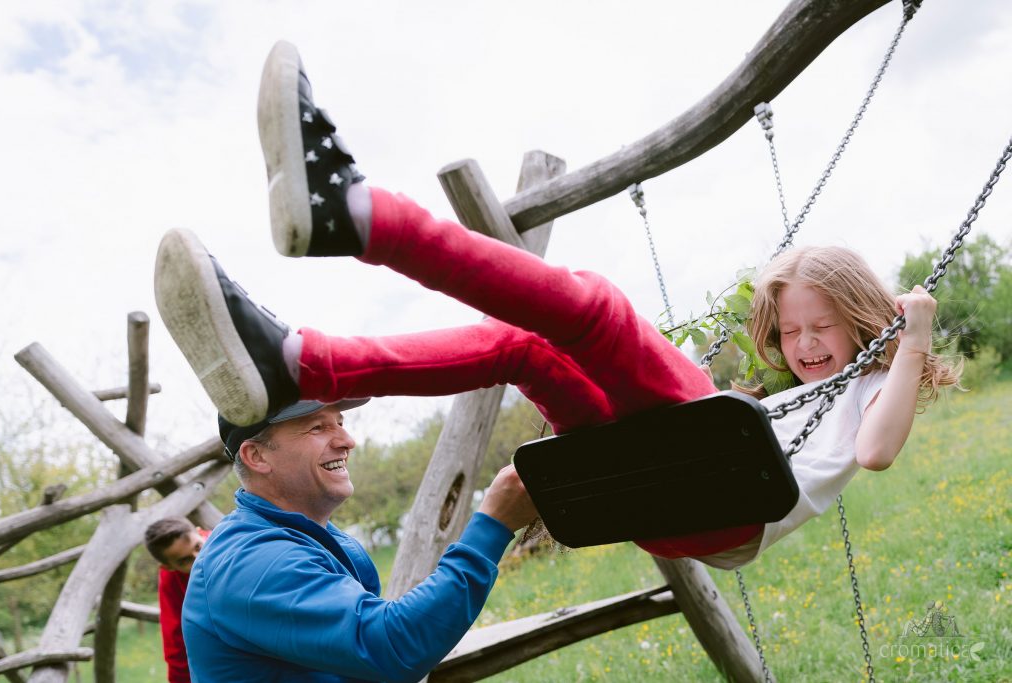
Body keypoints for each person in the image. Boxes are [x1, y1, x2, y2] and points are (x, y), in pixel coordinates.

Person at [155, 40, 959, 574]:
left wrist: (912, 334)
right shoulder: (809, 394)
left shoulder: (865, 389)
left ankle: (356, 214)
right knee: (524, 349)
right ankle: (301, 365)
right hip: (675, 495)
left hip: (723, 504)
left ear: (864, 319)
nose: (808, 344)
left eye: (823, 328)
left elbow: (880, 449)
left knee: (598, 311)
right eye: (792, 330)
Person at [178, 398, 537, 682]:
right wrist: (493, 525)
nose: (347, 441)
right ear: (256, 456)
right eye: (317, 427)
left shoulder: (313, 536)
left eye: (340, 423)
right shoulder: (253, 560)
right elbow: (393, 647)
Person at [143, 517, 210, 683]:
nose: (198, 559)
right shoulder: (171, 581)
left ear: (200, 532)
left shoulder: (227, 542)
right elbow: (175, 638)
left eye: (198, 547)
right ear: (169, 567)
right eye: (185, 560)